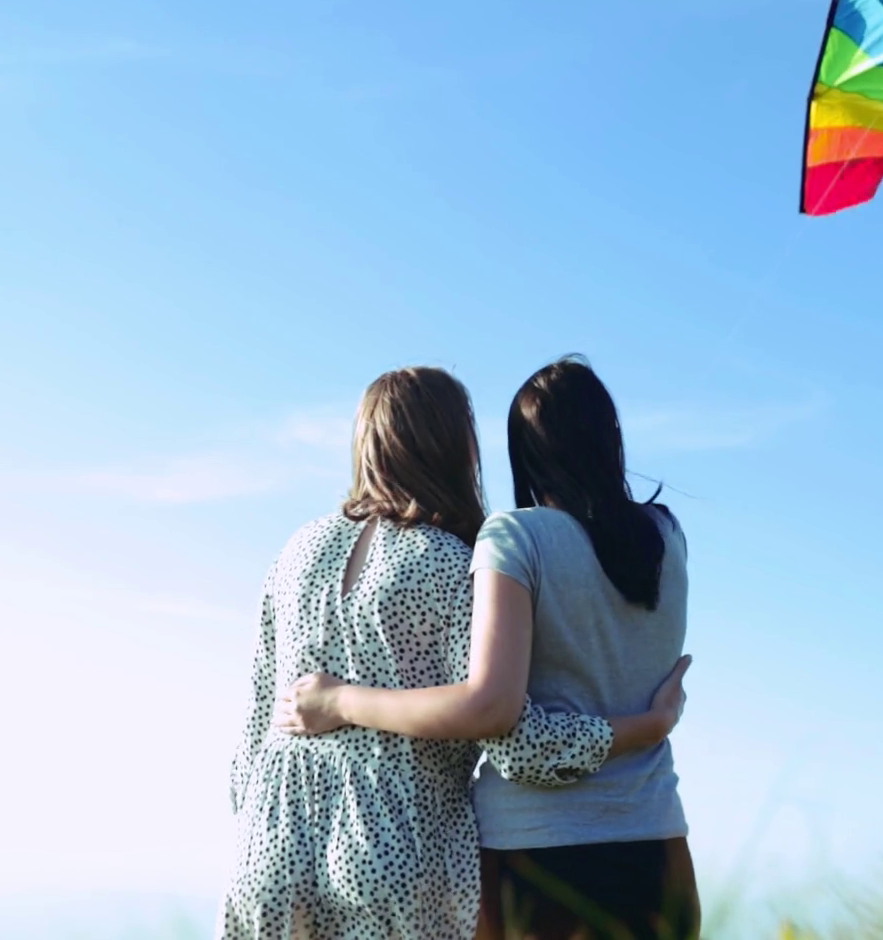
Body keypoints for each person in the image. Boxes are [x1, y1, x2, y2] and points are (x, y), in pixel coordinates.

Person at [218, 366, 690, 940]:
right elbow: (514, 738)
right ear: (456, 447)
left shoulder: (294, 552)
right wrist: (647, 726)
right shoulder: (450, 562)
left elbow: (253, 733)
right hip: (397, 847)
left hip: (267, 845)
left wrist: (259, 829)